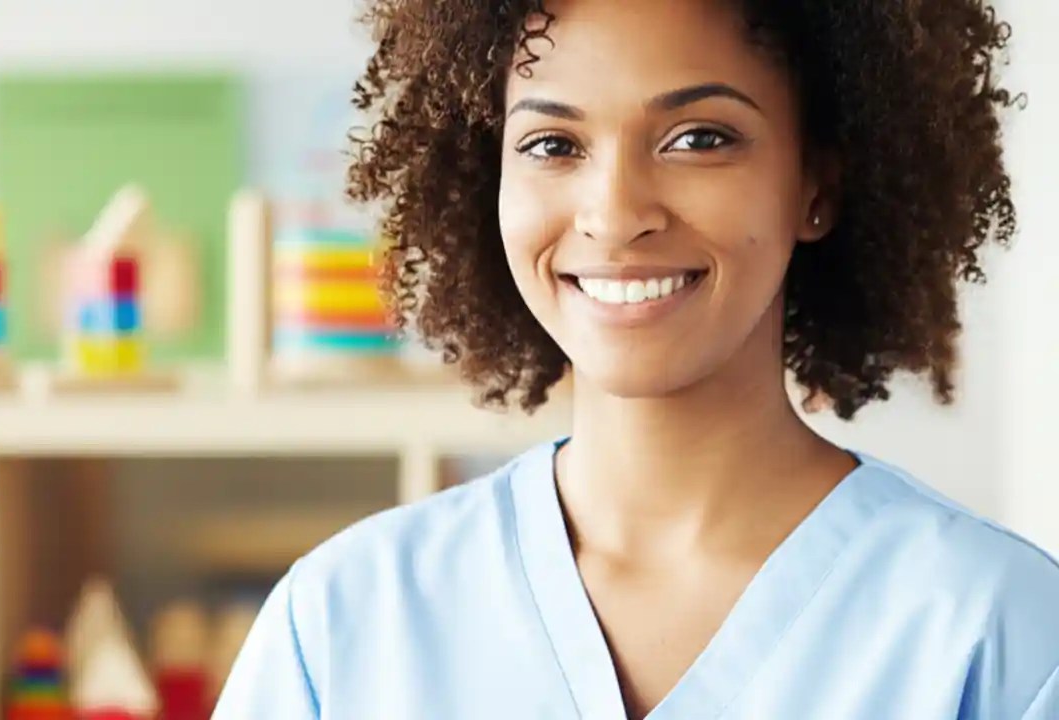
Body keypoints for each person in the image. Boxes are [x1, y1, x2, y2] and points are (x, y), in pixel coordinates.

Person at [215, 0, 1059, 717]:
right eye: (552, 145)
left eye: (698, 138)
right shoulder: (340, 627)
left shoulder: (995, 633)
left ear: (817, 186)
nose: (615, 215)